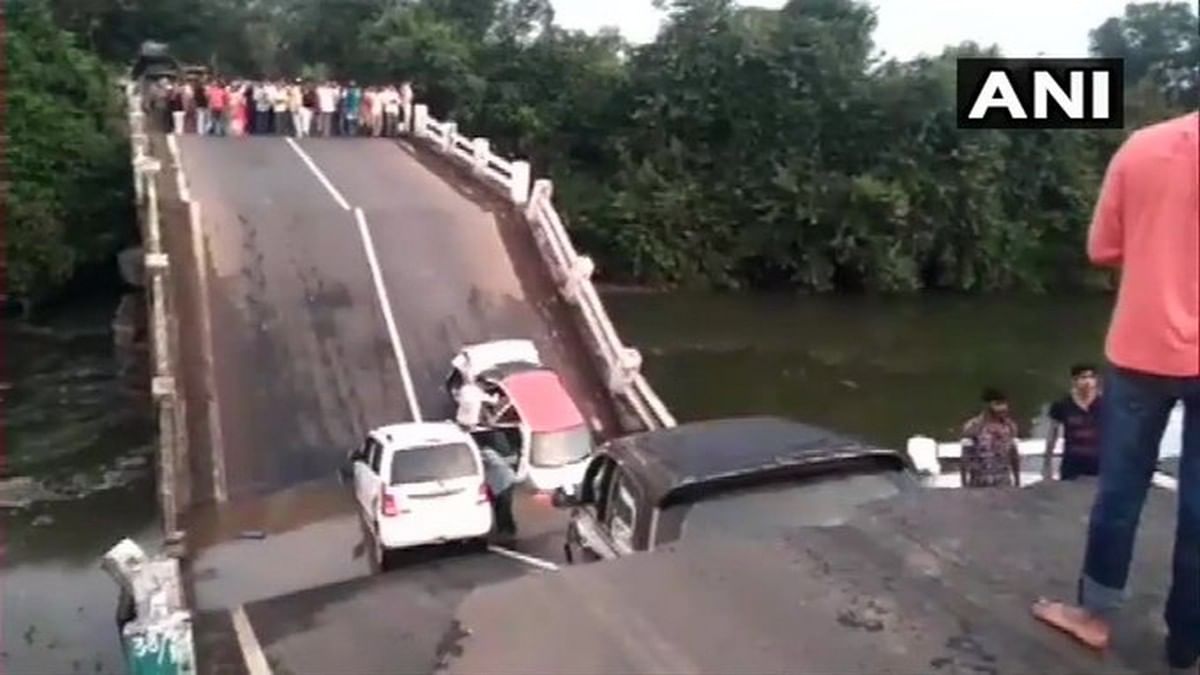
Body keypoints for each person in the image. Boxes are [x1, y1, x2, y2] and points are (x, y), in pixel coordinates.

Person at [1031, 110, 1199, 673]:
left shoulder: (1142, 147)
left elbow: (1103, 249)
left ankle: (1095, 617)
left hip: (1141, 350)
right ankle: (1186, 643)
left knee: (1119, 495)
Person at [1042, 363, 1103, 481]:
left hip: (1100, 463)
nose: (1088, 381)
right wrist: (1047, 465)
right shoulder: (1062, 405)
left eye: (1091, 377)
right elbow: (1052, 436)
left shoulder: (1106, 403)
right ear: (1074, 381)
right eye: (1083, 377)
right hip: (1072, 463)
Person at [960, 388, 1021, 488]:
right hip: (979, 483)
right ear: (987, 405)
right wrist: (964, 484)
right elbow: (965, 457)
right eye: (998, 404)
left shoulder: (1010, 426)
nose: (1003, 408)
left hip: (1003, 482)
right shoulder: (972, 426)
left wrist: (1017, 481)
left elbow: (1014, 454)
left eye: (1004, 403)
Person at [480, 445, 518, 539]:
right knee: (500, 507)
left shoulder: (486, 454)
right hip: (499, 483)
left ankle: (507, 529)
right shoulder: (487, 454)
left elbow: (496, 465)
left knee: (503, 506)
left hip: (504, 482)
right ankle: (505, 528)